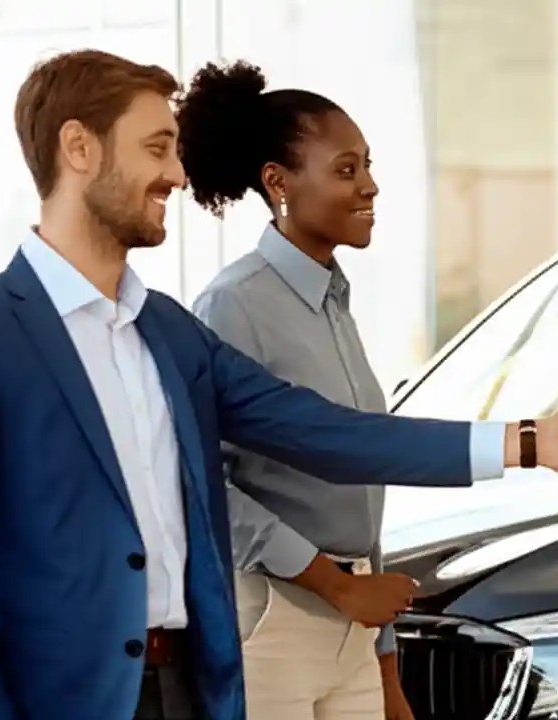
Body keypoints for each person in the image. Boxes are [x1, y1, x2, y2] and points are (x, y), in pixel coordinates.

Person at [0, 49, 558, 720]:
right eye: (156, 149)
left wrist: (531, 443)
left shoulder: (169, 335)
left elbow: (332, 435)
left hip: (187, 689)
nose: (177, 175)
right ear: (79, 148)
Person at [176, 59, 422, 719]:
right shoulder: (232, 306)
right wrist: (334, 587)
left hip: (355, 626)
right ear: (278, 183)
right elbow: (202, 487)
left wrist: (386, 664)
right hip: (272, 620)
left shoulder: (336, 303)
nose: (370, 185)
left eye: (367, 165)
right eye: (346, 169)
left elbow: (363, 480)